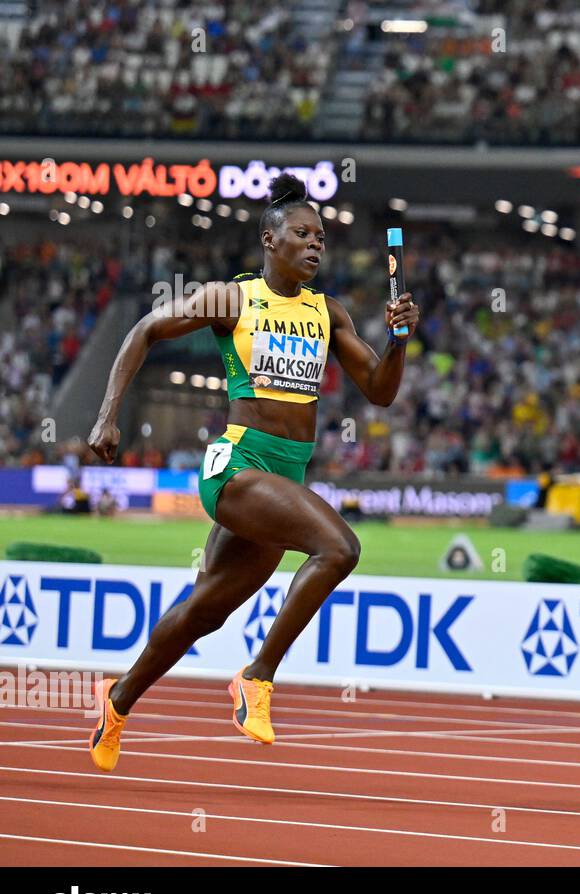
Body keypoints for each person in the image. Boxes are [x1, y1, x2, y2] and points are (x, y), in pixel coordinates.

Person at [85, 173, 420, 771]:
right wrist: (108, 417)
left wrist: (397, 343)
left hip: (283, 479)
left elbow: (380, 392)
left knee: (204, 612)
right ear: (270, 241)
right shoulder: (231, 299)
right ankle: (257, 676)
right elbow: (145, 330)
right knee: (340, 549)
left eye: (321, 237)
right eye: (302, 234)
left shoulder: (329, 312)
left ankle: (118, 702)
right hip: (238, 467)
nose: (316, 245)